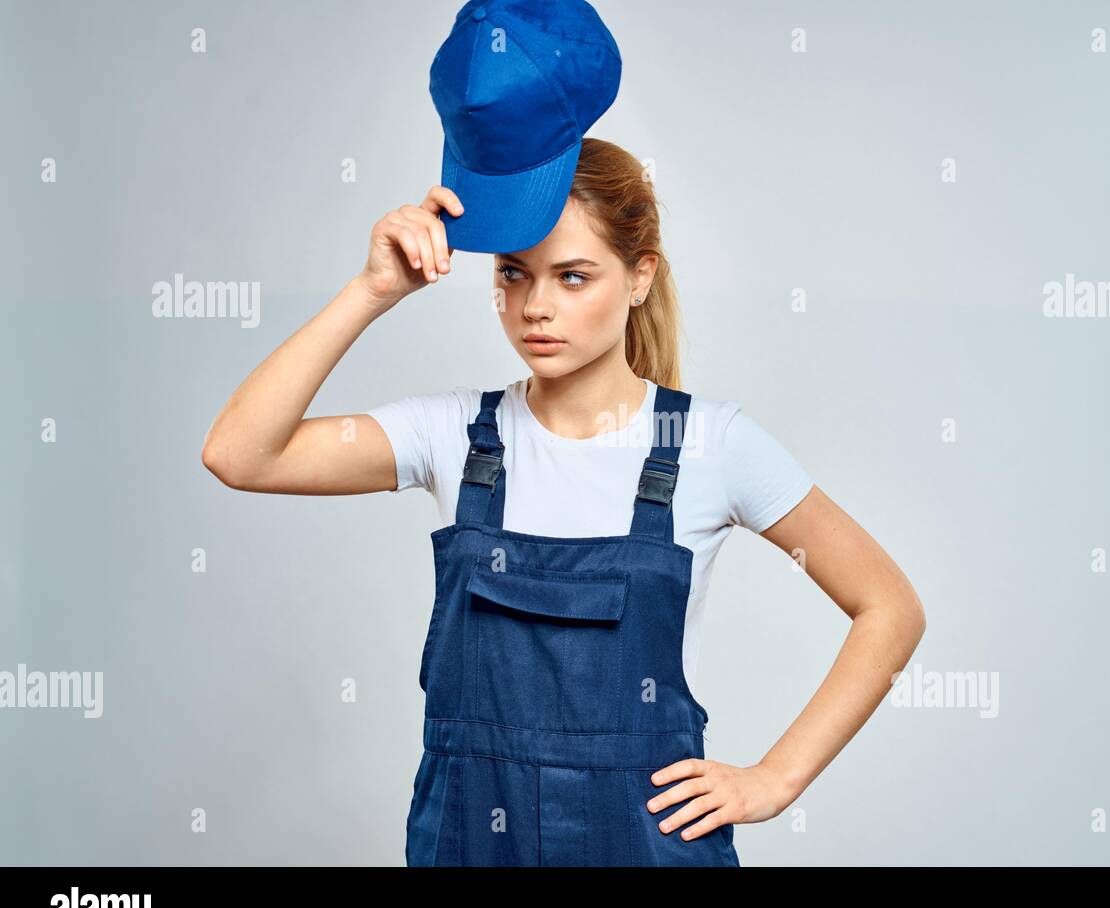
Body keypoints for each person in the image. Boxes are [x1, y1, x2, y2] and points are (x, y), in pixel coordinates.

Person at [200, 136, 927, 865]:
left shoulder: (710, 443)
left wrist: (774, 779)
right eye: (514, 275)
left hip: (644, 844)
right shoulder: (453, 435)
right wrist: (371, 291)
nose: (536, 307)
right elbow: (239, 452)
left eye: (573, 277)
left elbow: (889, 606)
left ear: (640, 277)